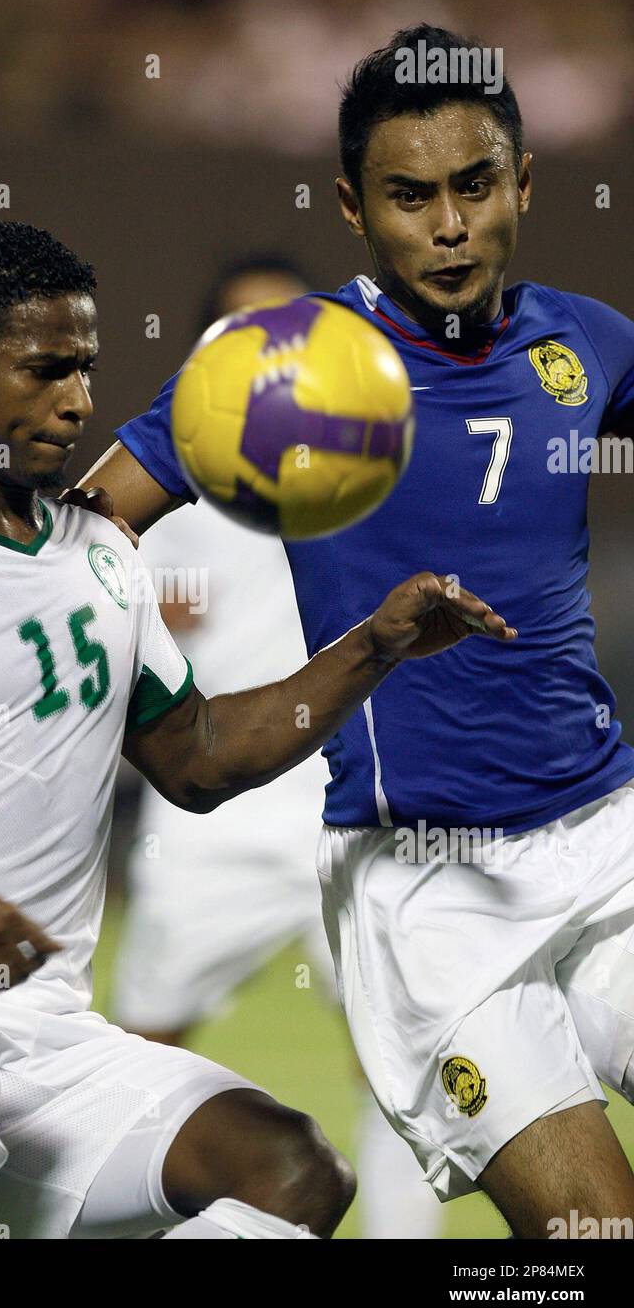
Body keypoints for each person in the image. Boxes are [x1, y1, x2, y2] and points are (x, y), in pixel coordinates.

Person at [0, 218, 511, 1240]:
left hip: (43, 1032)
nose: (79, 402)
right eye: (45, 371)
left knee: (292, 1171)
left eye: (87, 369)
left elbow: (199, 757)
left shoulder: (100, 557)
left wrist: (373, 648)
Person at [76, 24, 634, 1238]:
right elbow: (81, 534)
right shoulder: (286, 366)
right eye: (409, 195)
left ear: (523, 186)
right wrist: (161, 717)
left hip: (611, 845)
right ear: (350, 205)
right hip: (427, 889)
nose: (448, 226)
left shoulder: (586, 342)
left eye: (475, 188)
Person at [110, 255, 444, 1238]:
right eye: (240, 331)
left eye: (289, 328)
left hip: (358, 813)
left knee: (401, 1068)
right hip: (209, 822)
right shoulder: (163, 481)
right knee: (134, 1064)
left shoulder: (383, 459)